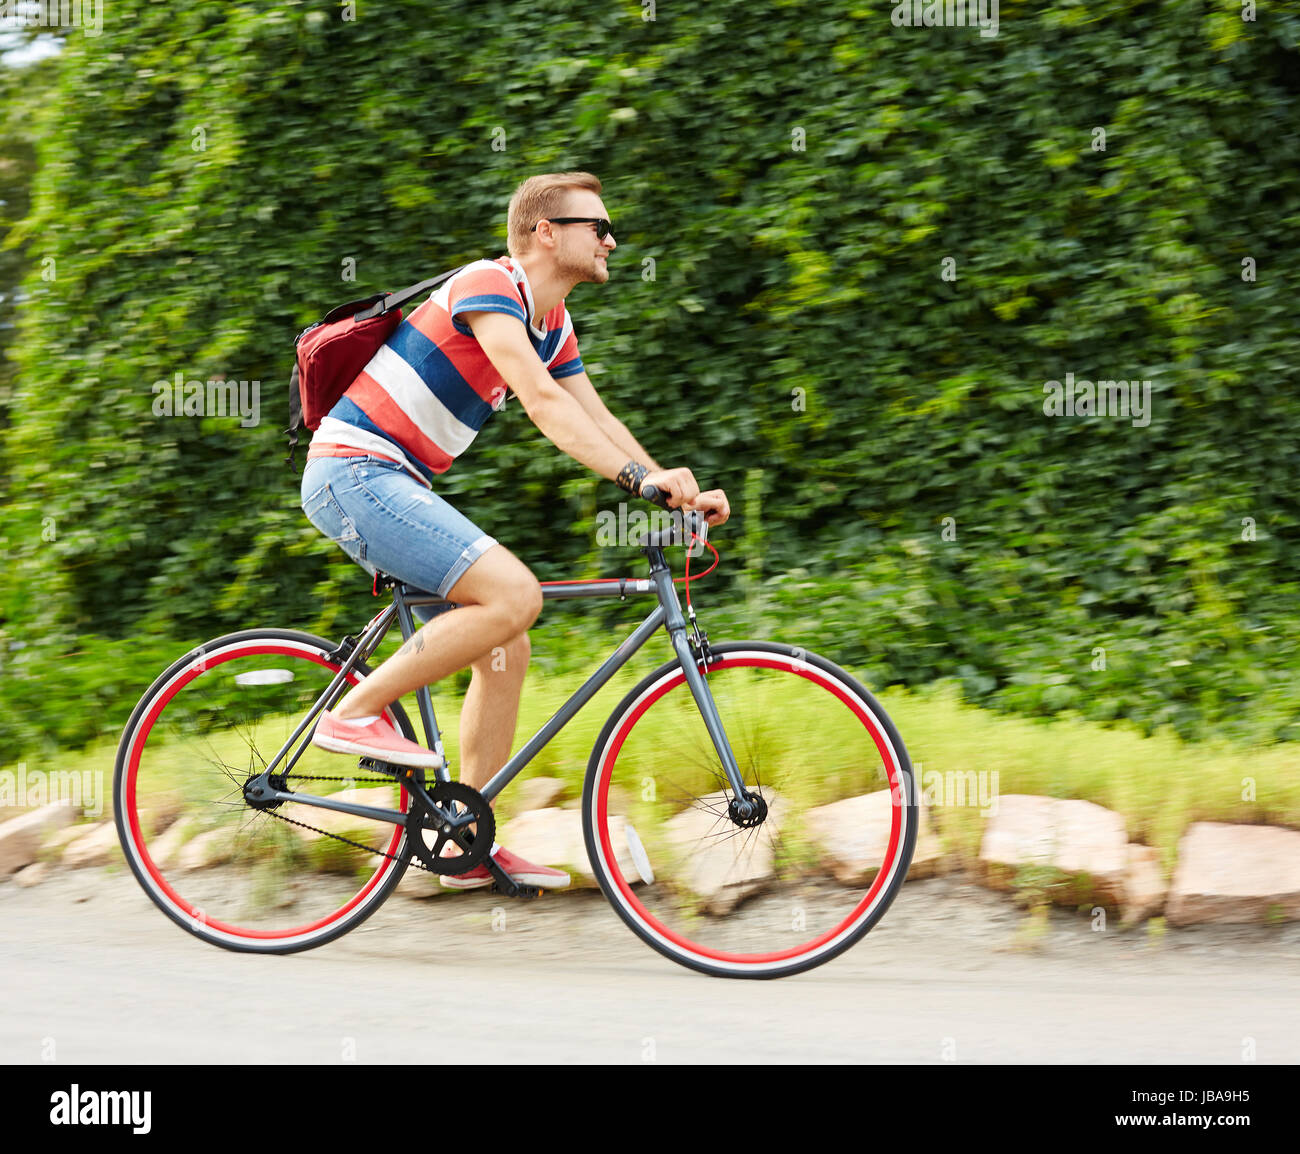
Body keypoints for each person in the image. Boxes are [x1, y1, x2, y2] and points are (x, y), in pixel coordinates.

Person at [299, 171, 730, 890]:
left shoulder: (552, 320)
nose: (611, 240)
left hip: (395, 481)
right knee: (514, 596)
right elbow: (539, 402)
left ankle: (463, 838)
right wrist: (636, 482)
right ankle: (355, 714)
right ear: (545, 232)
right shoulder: (486, 284)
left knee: (507, 642)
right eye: (599, 226)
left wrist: (668, 486)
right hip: (355, 473)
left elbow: (594, 417)